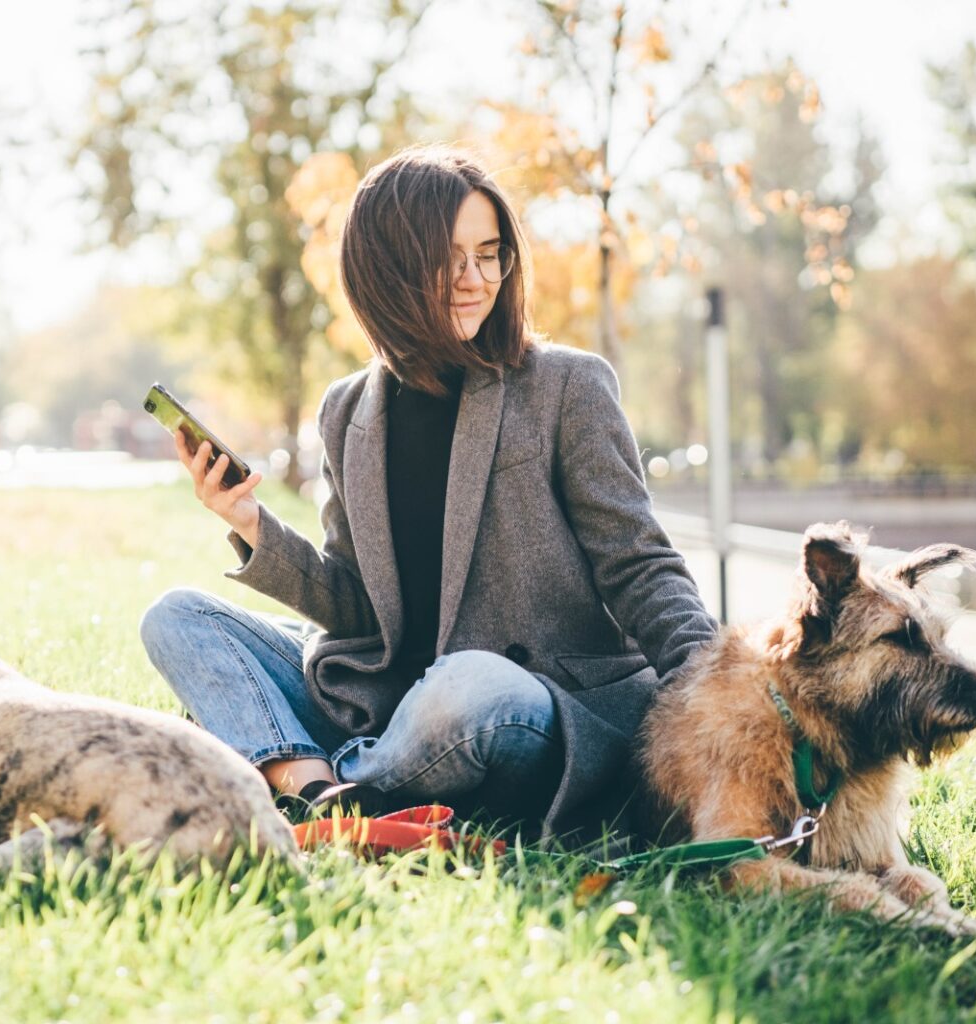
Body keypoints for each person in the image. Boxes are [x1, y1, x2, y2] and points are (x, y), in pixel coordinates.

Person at [139, 144, 718, 842]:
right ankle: (326, 790)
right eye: (450, 259)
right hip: (385, 698)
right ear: (386, 267)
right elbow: (358, 606)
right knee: (177, 616)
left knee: (465, 684)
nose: (476, 280)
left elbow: (640, 565)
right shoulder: (346, 411)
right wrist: (252, 524)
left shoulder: (567, 385)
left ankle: (307, 774)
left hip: (518, 705)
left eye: (490, 254)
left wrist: (717, 686)